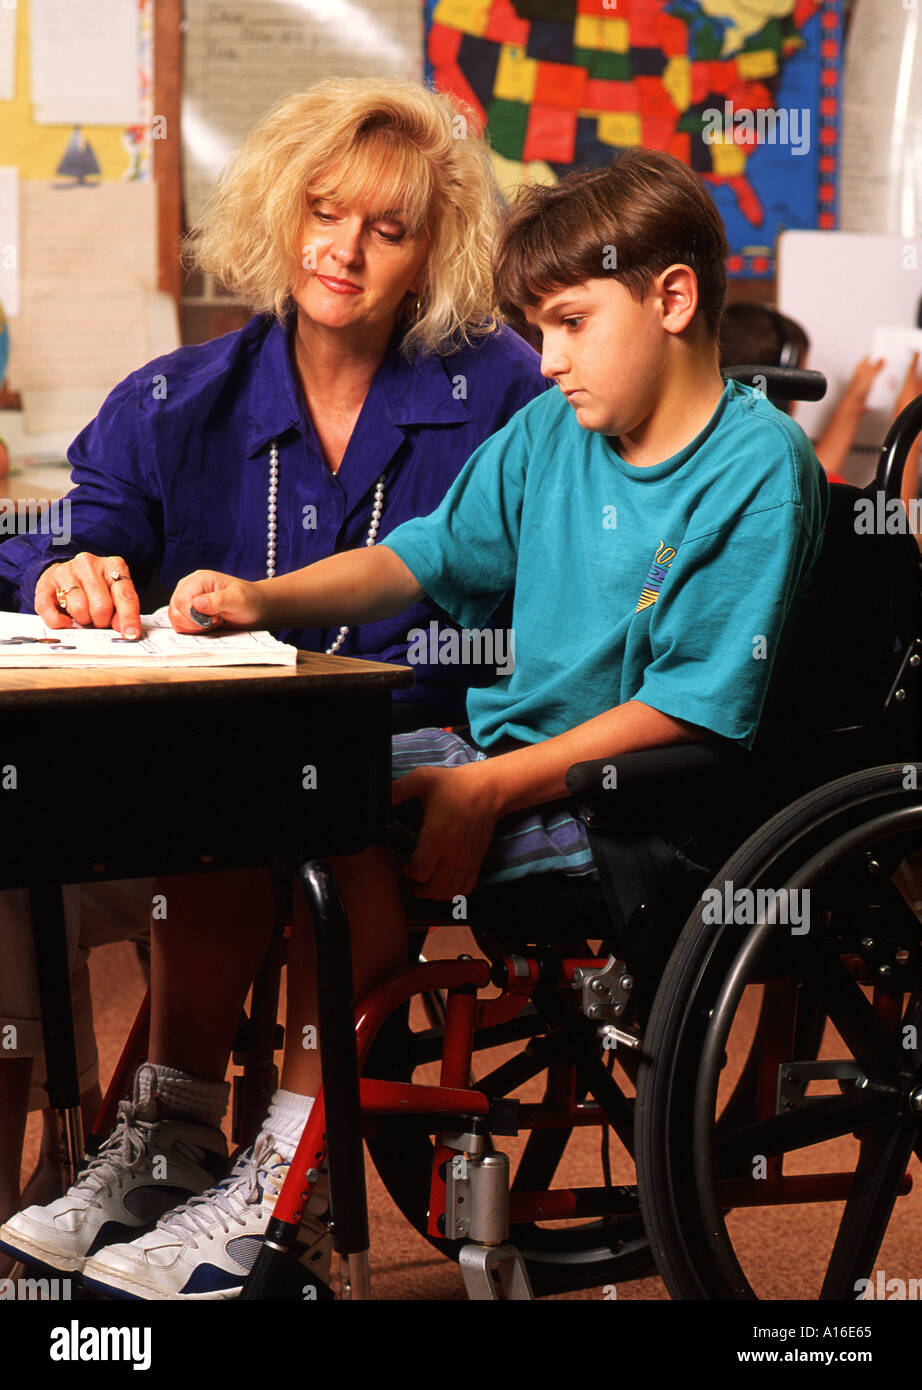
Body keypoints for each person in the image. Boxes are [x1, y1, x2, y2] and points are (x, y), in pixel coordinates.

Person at [14, 148, 827, 1300]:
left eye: (569, 324)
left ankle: (294, 1175)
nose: (545, 361)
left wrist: (489, 789)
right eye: (535, 328)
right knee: (233, 776)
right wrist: (261, 596)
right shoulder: (554, 435)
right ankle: (177, 1132)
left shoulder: (757, 465)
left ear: (673, 298)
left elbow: (692, 707)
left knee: (331, 799)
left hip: (639, 799)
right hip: (501, 759)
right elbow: (421, 556)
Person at [0, 76, 547, 1278]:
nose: (343, 250)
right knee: (219, 791)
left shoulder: (504, 390)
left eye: (386, 229)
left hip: (418, 753)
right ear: (278, 214)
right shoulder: (178, 398)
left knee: (269, 792)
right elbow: (54, 532)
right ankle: (170, 1137)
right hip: (222, 767)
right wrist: (64, 570)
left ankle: (254, 1166)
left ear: (429, 252)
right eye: (323, 211)